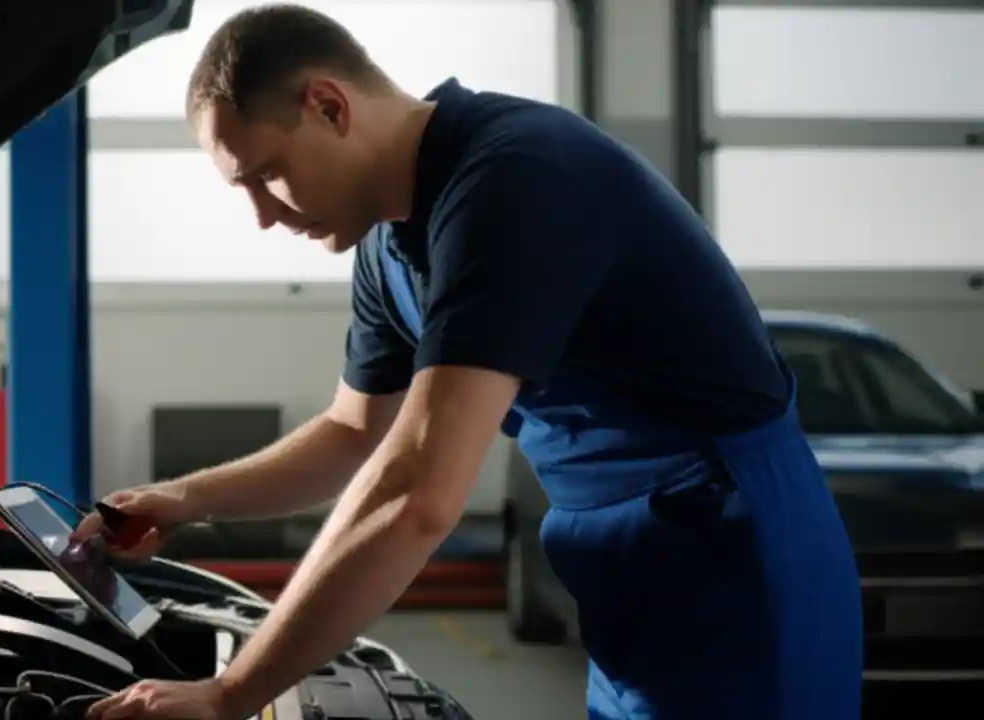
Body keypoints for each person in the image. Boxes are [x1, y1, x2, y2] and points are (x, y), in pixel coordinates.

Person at [78, 5, 864, 719]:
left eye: (265, 174)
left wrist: (229, 696)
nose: (261, 217)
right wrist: (184, 498)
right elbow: (353, 434)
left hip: (736, 552)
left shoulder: (513, 180)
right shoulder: (388, 241)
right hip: (626, 563)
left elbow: (420, 490)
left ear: (329, 105)